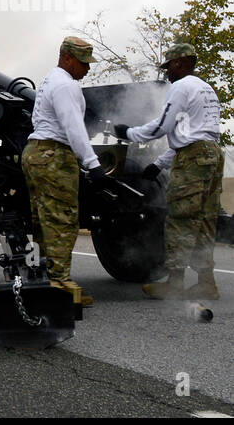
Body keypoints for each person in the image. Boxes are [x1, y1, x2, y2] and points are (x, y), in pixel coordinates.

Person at [114, 43, 224, 300]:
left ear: (179, 63)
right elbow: (193, 135)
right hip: (211, 155)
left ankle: (174, 283)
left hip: (193, 159)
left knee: (181, 219)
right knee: (205, 220)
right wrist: (159, 164)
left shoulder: (181, 87)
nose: (167, 73)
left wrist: (129, 134)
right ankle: (207, 283)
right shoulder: (206, 88)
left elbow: (163, 126)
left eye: (169, 67)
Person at [21, 36, 109, 306]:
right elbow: (74, 128)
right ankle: (59, 282)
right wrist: (93, 164)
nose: (88, 69)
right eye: (83, 63)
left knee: (43, 220)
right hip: (54, 155)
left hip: (36, 152)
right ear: (67, 58)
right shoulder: (66, 86)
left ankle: (41, 277)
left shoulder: (50, 79)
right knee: (62, 220)